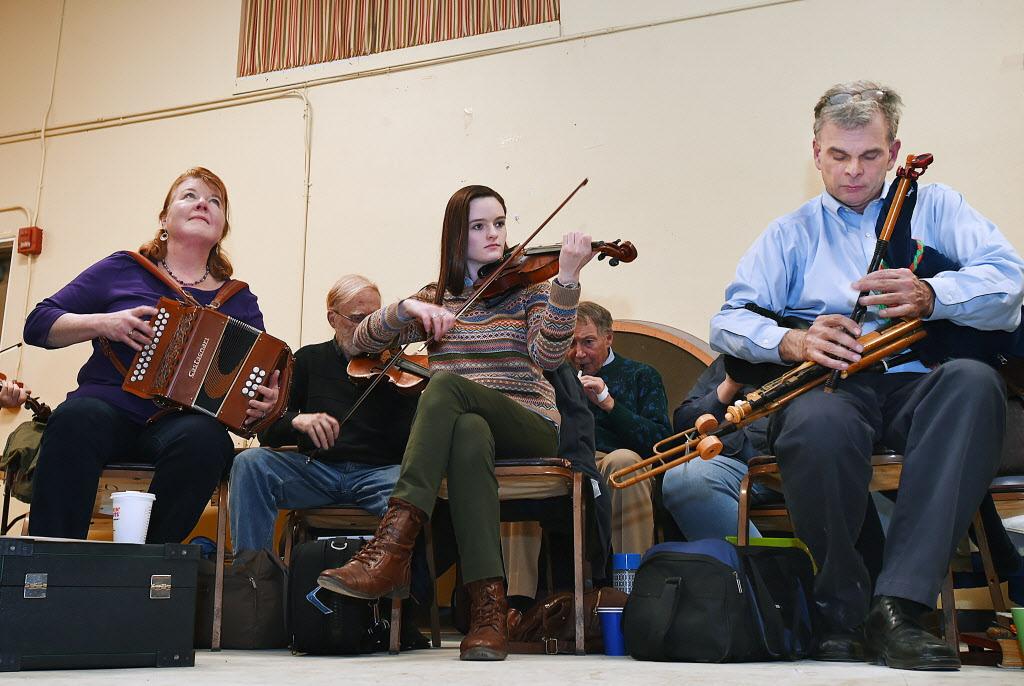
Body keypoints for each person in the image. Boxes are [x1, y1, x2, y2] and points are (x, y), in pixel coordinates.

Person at [711, 80, 1024, 670]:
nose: (854, 171)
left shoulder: (938, 207)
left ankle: (899, 608)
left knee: (974, 386)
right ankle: (846, 609)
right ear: (815, 153)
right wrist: (793, 339)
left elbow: (1009, 283)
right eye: (838, 155)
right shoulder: (790, 233)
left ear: (895, 149)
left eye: (870, 155)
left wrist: (934, 293)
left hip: (918, 378)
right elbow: (727, 321)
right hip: (834, 383)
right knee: (814, 427)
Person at [317, 184, 595, 661]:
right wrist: (406, 309)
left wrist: (566, 280)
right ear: (455, 236)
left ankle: (393, 546)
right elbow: (360, 342)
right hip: (474, 435)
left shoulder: (529, 291)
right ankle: (489, 614)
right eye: (479, 226)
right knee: (467, 432)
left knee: (444, 386)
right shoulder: (434, 298)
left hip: (527, 420)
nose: (494, 235)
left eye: (500, 224)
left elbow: (549, 357)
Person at [24, 167, 279, 543]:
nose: (202, 205)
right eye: (189, 196)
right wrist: (105, 323)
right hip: (106, 408)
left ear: (222, 228)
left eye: (215, 201)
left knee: (208, 440)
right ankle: (52, 563)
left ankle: (148, 564)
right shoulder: (123, 269)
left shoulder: (239, 299)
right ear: (164, 218)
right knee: (75, 418)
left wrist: (264, 405)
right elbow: (38, 325)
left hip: (178, 423)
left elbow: (257, 377)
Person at [229, 274, 417, 554]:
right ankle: (255, 581)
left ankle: (408, 593)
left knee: (416, 492)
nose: (368, 328)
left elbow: (410, 444)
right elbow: (268, 433)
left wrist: (409, 391)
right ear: (333, 318)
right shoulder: (307, 360)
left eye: (375, 318)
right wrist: (296, 419)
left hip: (379, 476)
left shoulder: (400, 368)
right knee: (250, 463)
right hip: (316, 472)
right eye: (357, 318)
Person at [568, 301, 668, 554]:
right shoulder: (556, 378)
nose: (578, 354)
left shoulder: (641, 375)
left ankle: (629, 583)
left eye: (588, 342)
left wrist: (609, 404)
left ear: (608, 338)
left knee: (623, 462)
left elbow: (660, 441)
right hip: (569, 463)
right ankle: (516, 592)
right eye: (571, 343)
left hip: (615, 462)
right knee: (523, 470)